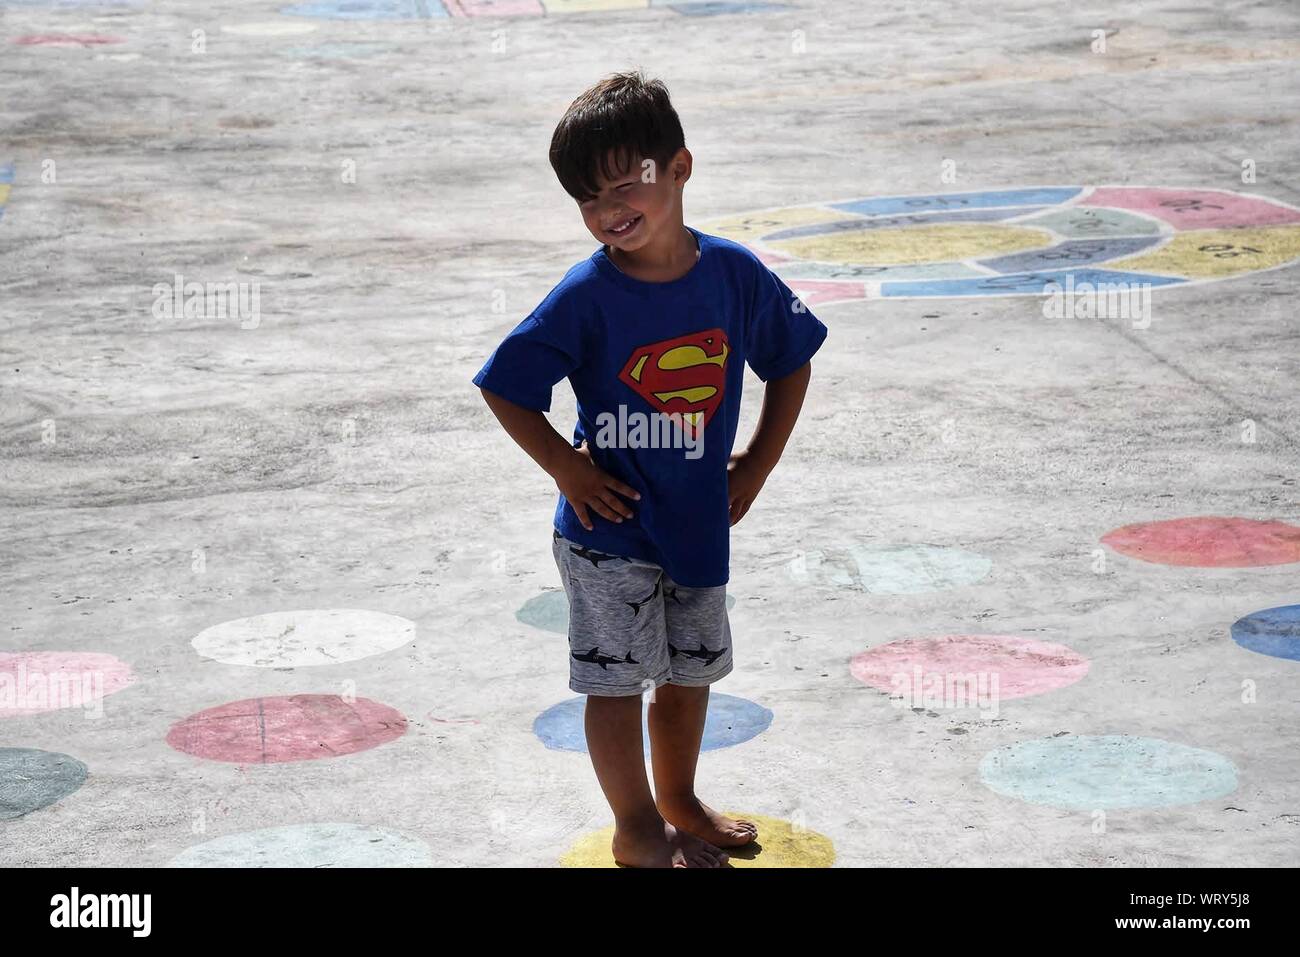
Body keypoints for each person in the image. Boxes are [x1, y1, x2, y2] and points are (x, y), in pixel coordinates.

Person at [473, 70, 827, 868]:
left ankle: (680, 798)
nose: (609, 210)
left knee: (690, 676)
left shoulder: (734, 275)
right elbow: (506, 386)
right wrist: (568, 470)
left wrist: (758, 464)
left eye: (626, 182)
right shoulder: (584, 294)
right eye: (588, 199)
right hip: (608, 532)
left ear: (680, 168)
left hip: (698, 521)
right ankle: (637, 825)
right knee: (612, 682)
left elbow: (793, 361)